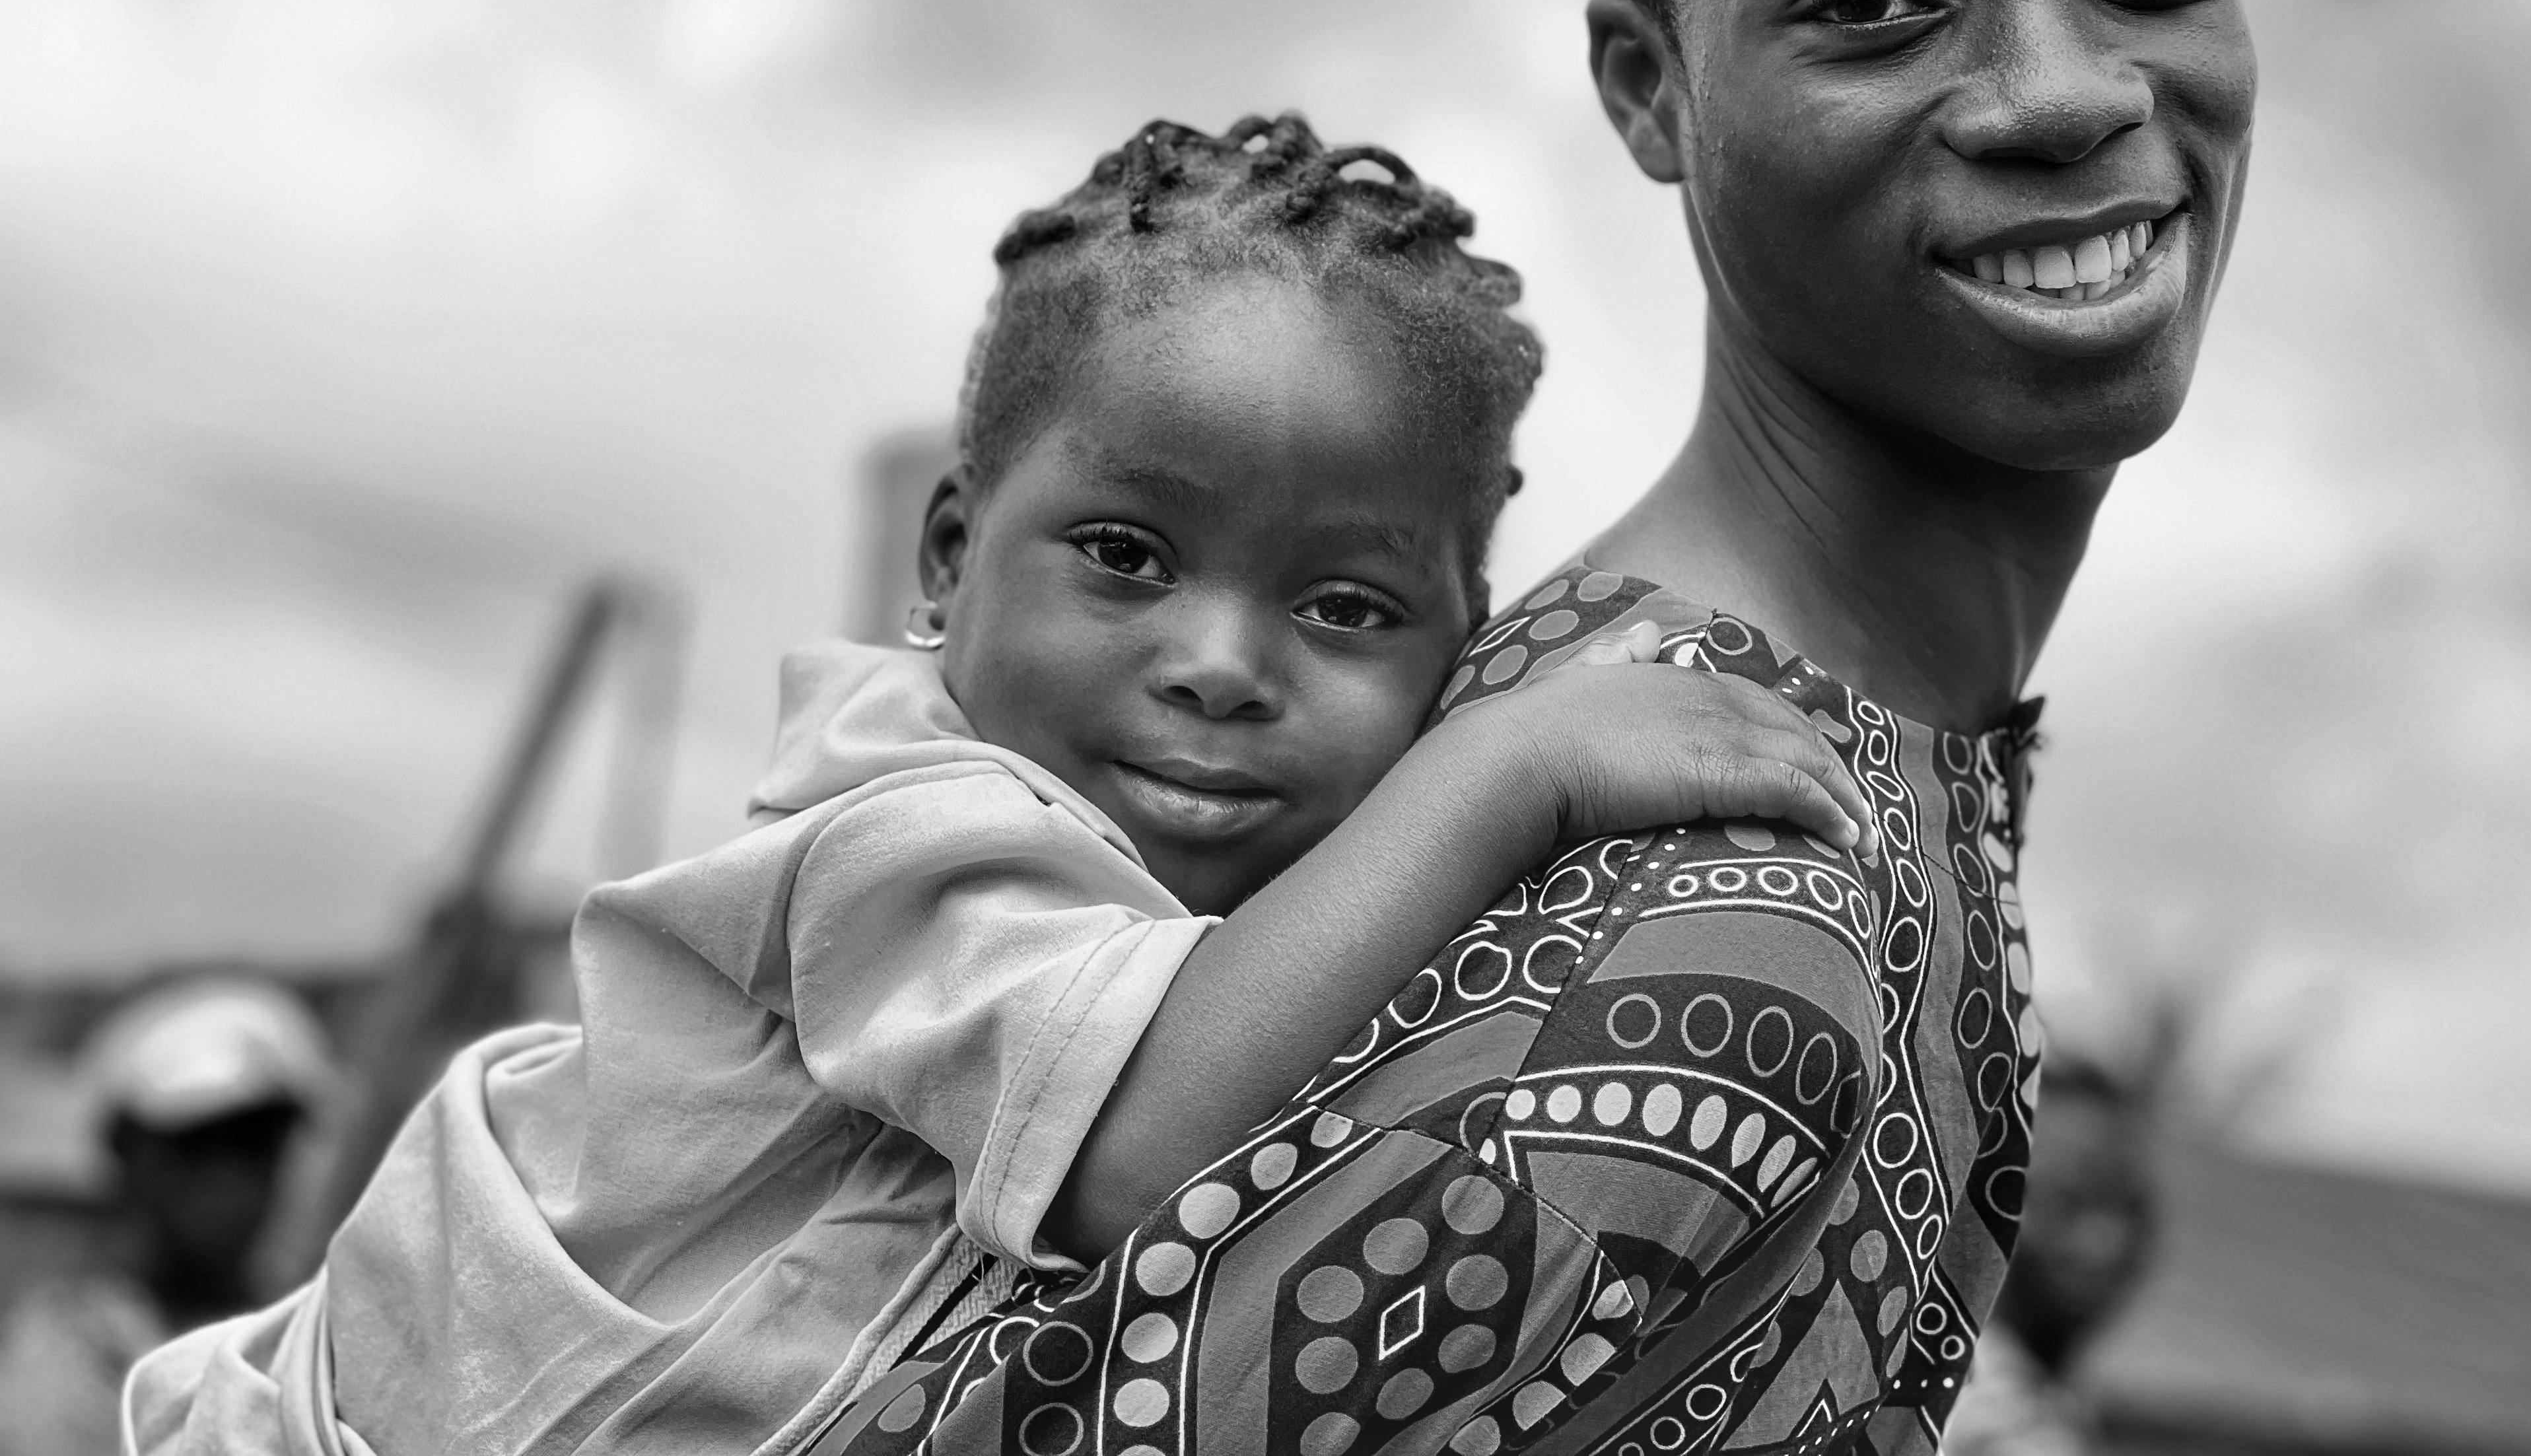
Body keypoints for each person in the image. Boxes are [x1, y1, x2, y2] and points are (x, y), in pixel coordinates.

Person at [809, 0, 2254, 1456]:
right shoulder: (1702, 922)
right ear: (1652, 85)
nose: (2070, 88)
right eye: (1878, 2)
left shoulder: (1820, 774)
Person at [123, 114, 1871, 1456]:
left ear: (1449, 641)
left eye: (1344, 607)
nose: (1220, 662)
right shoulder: (910, 834)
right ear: (952, 560)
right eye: (1125, 555)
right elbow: (1127, 1151)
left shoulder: (1247, 919)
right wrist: (1520, 768)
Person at [0, 978, 328, 1456]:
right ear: (133, 1160)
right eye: (202, 1145)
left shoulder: (297, 1333)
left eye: (259, 1143)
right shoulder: (75, 1345)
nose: (233, 1178)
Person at [1941, 1055, 2159, 1455]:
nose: (2109, 1242)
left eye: (2132, 1207)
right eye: (2066, 1201)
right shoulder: (1974, 1415)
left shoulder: (2053, 1401)